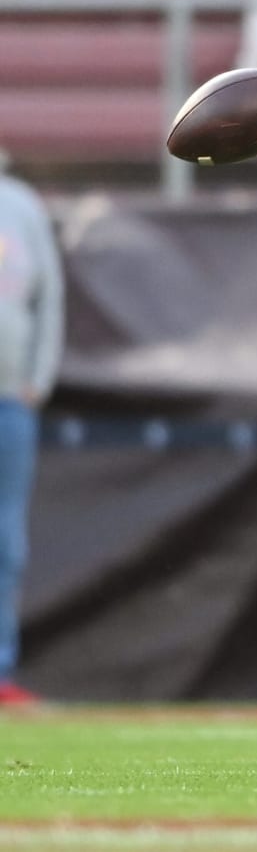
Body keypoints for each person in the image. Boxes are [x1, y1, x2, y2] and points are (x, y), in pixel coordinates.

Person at [0, 154, 63, 709]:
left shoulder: (20, 206)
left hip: (8, 399)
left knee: (5, 542)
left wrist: (37, 379)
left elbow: (49, 299)